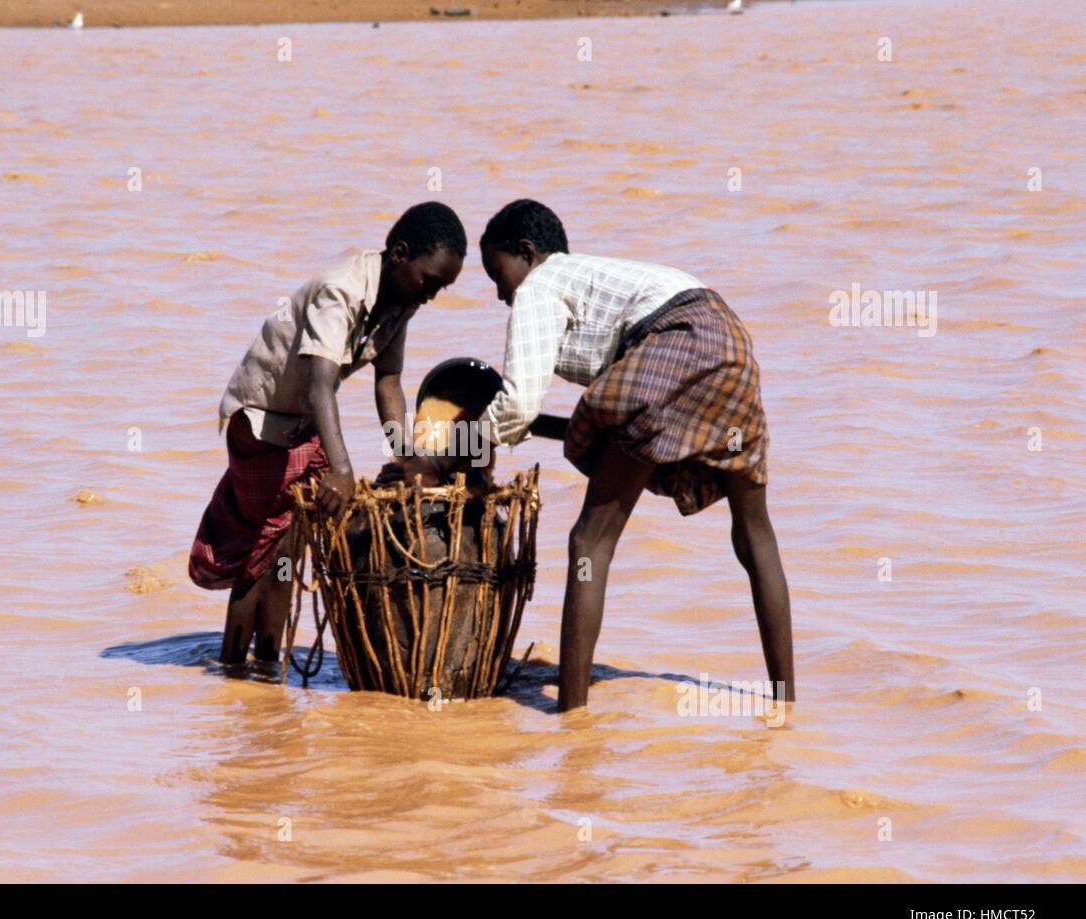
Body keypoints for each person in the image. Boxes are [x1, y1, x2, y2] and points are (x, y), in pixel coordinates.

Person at [476, 199, 794, 712]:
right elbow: (624, 429)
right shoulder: (607, 278)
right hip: (729, 340)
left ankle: (571, 715)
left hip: (675, 341)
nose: (500, 294)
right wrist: (522, 429)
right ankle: (787, 703)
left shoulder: (541, 283)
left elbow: (516, 401)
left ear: (526, 252)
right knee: (754, 531)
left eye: (497, 274)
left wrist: (461, 444)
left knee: (589, 541)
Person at [189, 202, 466, 665]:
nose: (432, 296)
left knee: (288, 554)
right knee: (260, 558)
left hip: (302, 425)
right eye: (431, 281)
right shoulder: (341, 290)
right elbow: (320, 386)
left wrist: (405, 459)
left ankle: (267, 668)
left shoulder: (401, 302)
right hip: (260, 420)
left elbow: (389, 382)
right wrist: (341, 469)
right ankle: (235, 670)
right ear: (398, 254)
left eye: (443, 288)